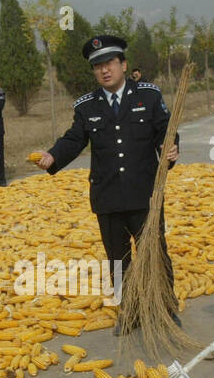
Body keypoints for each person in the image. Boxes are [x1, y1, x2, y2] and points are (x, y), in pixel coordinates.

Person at [31, 35, 179, 335]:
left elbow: (166, 130)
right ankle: (130, 311)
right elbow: (74, 138)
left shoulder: (148, 96)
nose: (104, 70)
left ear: (123, 64)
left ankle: (165, 308)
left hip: (145, 194)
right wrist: (52, 156)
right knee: (117, 260)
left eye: (110, 63)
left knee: (155, 254)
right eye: (98, 66)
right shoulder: (87, 106)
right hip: (107, 196)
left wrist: (171, 148)